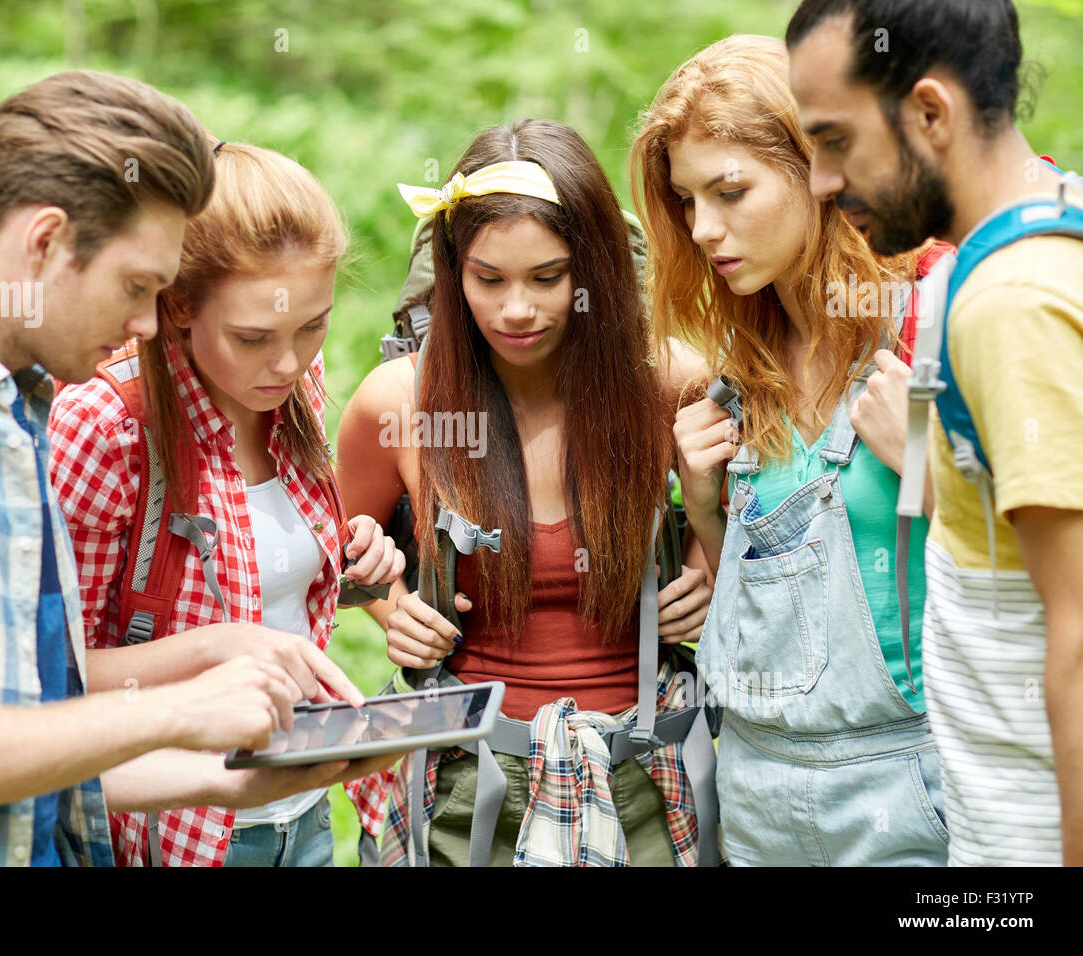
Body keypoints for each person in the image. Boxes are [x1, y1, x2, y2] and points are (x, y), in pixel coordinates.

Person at [0, 71, 384, 867]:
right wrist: (176, 712)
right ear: (45, 240)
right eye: (137, 287)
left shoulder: (14, 410)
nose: (146, 325)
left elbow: (29, 742)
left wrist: (224, 780)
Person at [338, 119, 716, 867]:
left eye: (549, 277)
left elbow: (749, 531)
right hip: (465, 792)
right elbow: (332, 551)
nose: (517, 310)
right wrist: (390, 603)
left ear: (597, 272)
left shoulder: (668, 384)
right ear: (452, 272)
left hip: (645, 781)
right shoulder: (402, 402)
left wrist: (704, 563)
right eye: (489, 279)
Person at [632, 34, 951, 865]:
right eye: (687, 201)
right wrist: (704, 508)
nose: (703, 228)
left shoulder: (930, 330)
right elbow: (766, 614)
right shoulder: (740, 381)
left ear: (819, 167)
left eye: (731, 191)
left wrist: (930, 467)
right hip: (755, 794)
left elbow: (1041, 573)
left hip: (909, 792)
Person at [49, 138, 404, 867]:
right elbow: (53, 673)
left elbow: (259, 571)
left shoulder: (287, 387)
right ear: (178, 304)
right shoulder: (106, 425)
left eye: (314, 325)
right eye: (252, 336)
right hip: (172, 825)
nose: (289, 360)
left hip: (300, 812)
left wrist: (350, 549)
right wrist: (221, 648)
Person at [786, 0, 1083, 867]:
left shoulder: (1009, 306)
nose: (819, 183)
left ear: (929, 113)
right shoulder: (1044, 231)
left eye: (836, 140)